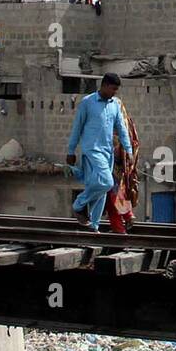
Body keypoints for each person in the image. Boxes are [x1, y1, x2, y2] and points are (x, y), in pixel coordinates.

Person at [66, 73, 132, 232]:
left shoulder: (115, 104)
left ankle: (93, 226)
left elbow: (122, 129)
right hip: (91, 151)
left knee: (100, 191)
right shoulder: (87, 102)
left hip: (107, 152)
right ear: (104, 85)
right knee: (106, 183)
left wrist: (128, 150)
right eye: (113, 89)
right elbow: (77, 127)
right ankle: (79, 205)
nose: (115, 92)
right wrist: (71, 150)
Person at [105, 99, 140, 234]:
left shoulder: (114, 125)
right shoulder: (128, 122)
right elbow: (135, 143)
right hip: (126, 167)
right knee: (120, 194)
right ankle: (128, 215)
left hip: (113, 167)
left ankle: (119, 231)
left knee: (111, 201)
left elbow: (113, 146)